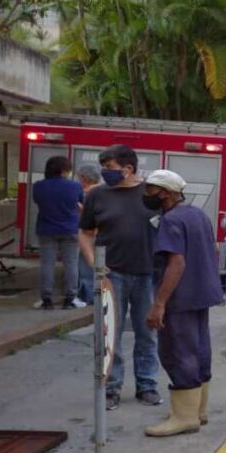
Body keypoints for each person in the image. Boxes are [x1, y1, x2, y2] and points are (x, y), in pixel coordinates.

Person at [79, 144, 160, 410]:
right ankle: (111, 388)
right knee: (109, 334)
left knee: (147, 333)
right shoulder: (97, 195)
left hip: (147, 274)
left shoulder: (152, 193)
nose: (105, 172)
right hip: (111, 275)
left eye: (109, 167)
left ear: (128, 168)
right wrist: (95, 265)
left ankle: (147, 384)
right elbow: (85, 234)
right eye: (103, 167)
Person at [143, 170, 223, 436]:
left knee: (177, 353)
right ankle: (198, 411)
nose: (146, 195)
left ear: (165, 193)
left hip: (180, 297)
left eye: (150, 190)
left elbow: (176, 262)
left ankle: (184, 417)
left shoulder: (171, 220)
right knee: (199, 350)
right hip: (200, 293)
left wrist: (159, 303)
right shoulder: (198, 214)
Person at [33, 156, 83, 310]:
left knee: (47, 264)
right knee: (71, 264)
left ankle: (46, 299)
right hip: (70, 229)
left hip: (46, 229)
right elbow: (81, 203)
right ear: (64, 170)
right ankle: (70, 299)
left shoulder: (39, 186)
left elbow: (38, 202)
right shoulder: (75, 186)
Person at [75, 165, 101, 306]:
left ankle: (88, 297)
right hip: (102, 235)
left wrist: (80, 209)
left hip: (88, 234)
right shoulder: (106, 192)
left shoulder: (87, 194)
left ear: (84, 178)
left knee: (86, 268)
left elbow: (88, 216)